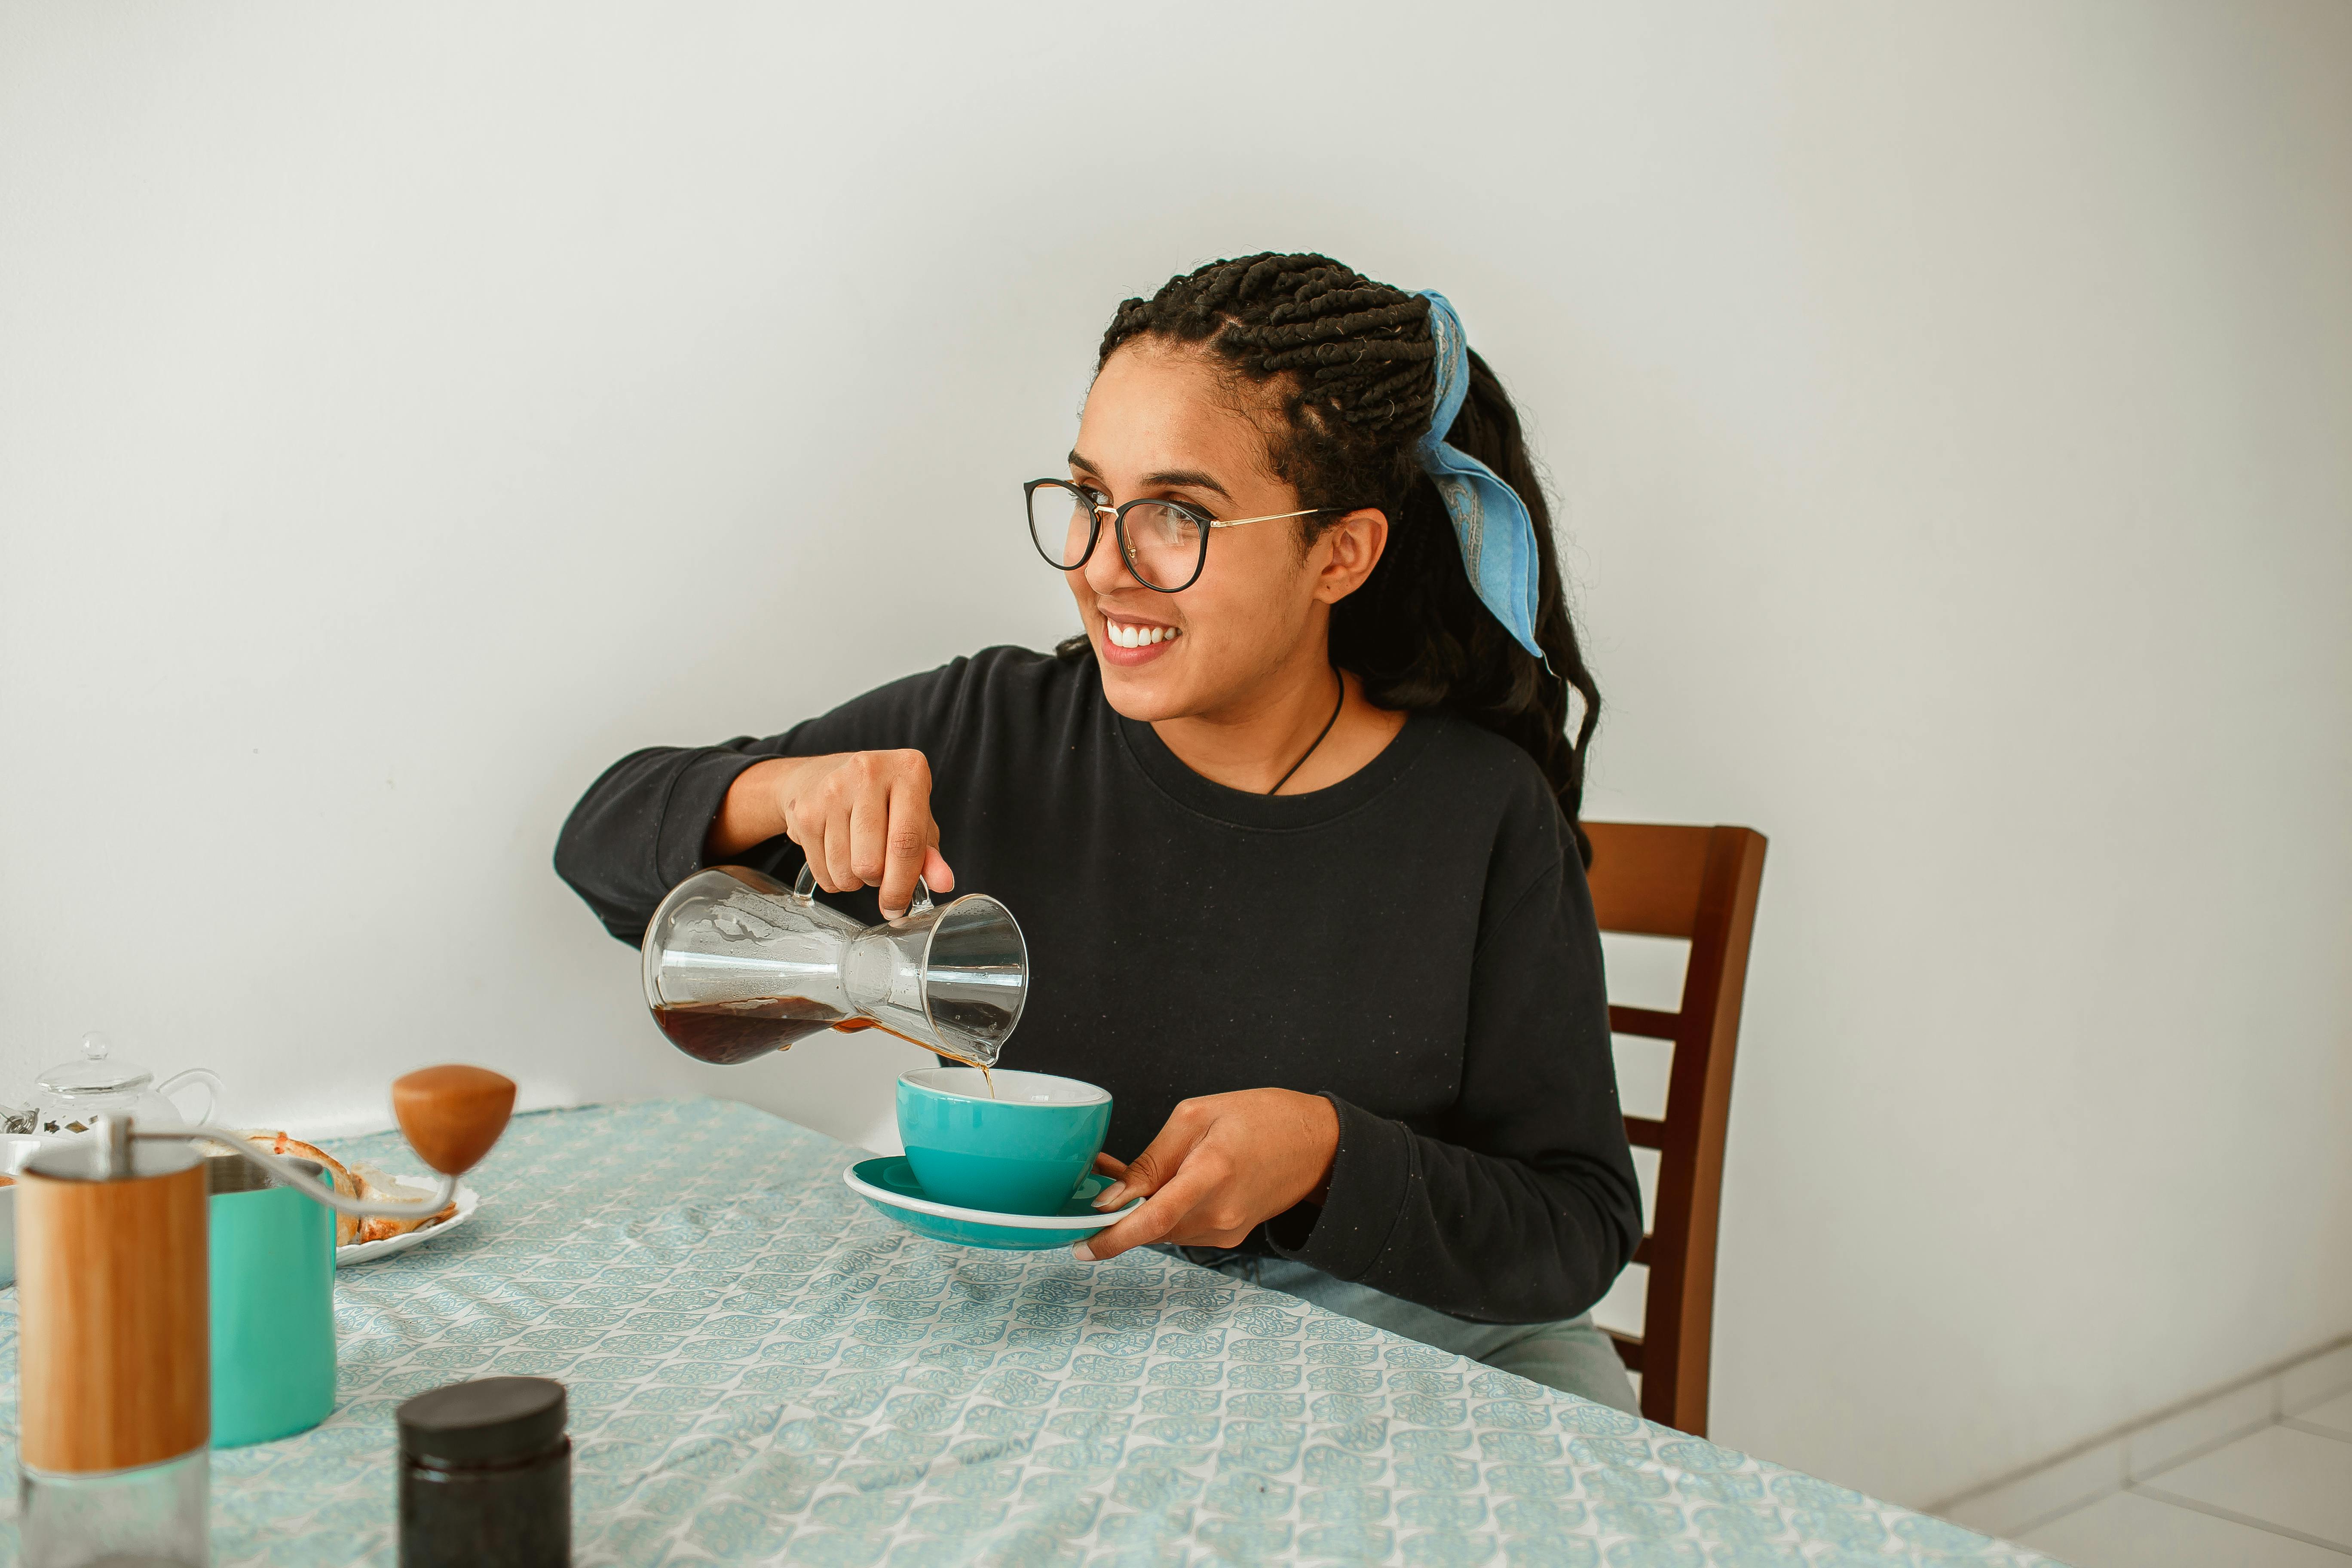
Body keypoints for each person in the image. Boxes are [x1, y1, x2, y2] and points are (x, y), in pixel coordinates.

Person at [554, 252, 1642, 1412]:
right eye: (1088, 499)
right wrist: (778, 793)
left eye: (1178, 515)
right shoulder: (990, 729)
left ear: (1342, 552)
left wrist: (1329, 1155)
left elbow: (1576, 1227)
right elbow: (602, 856)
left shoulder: (1479, 814)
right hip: (1088, 1340)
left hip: (1424, 1362)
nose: (1103, 566)